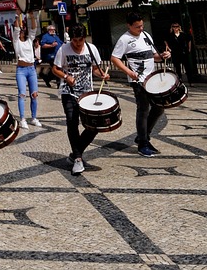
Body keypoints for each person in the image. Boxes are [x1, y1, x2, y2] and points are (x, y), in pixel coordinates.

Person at [110, 11, 171, 157]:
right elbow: (114, 58)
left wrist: (163, 56)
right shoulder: (124, 39)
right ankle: (143, 143)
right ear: (129, 25)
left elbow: (153, 56)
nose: (140, 29)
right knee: (143, 110)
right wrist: (128, 72)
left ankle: (144, 136)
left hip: (152, 79)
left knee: (159, 108)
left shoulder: (146, 35)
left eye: (142, 25)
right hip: (138, 80)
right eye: (137, 26)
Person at [52, 25, 109, 175]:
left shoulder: (91, 49)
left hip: (87, 94)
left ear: (85, 38)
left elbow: (95, 69)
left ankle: (75, 154)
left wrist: (102, 74)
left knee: (94, 126)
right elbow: (55, 68)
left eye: (80, 40)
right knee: (72, 122)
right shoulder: (64, 49)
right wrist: (66, 77)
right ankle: (78, 159)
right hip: (68, 92)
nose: (77, 44)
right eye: (75, 40)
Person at [12, 17, 42, 128]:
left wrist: (32, 15)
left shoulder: (30, 41)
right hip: (21, 70)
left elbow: (34, 28)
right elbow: (15, 30)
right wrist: (17, 15)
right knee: (22, 94)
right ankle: (22, 119)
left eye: (23, 31)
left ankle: (34, 117)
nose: (21, 32)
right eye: (21, 31)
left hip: (31, 69)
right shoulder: (16, 42)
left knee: (34, 94)